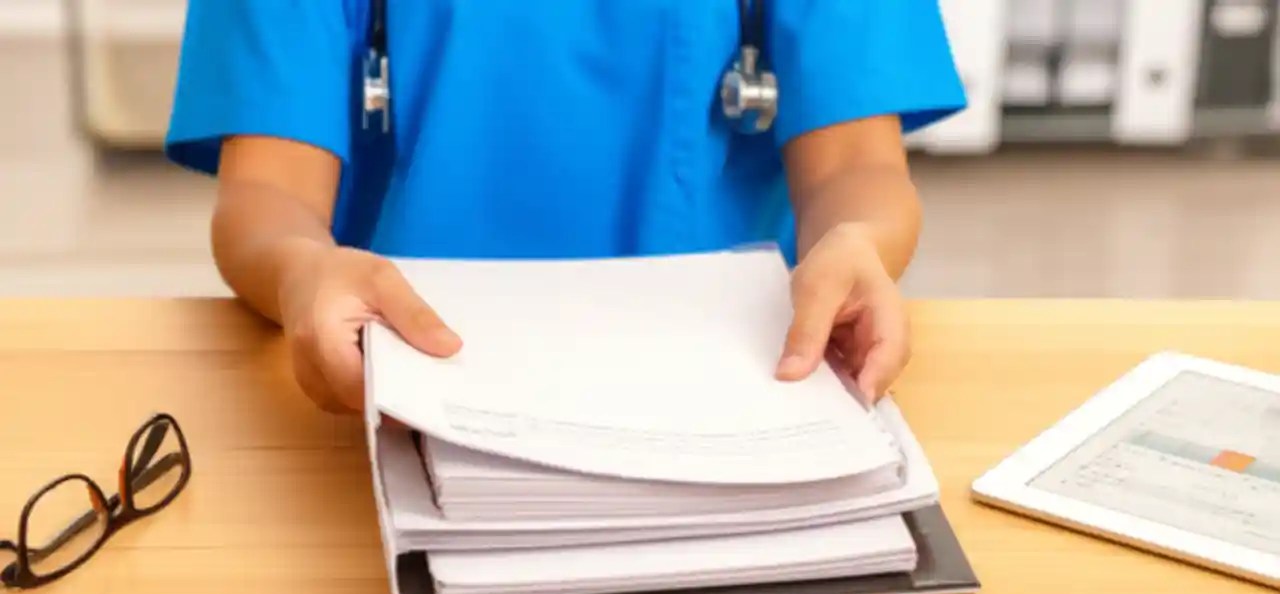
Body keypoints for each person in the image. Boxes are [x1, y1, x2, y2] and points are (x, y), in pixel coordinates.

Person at [165, 1, 966, 414]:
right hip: (407, 370)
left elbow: (857, 164)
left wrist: (858, 243)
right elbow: (268, 192)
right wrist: (303, 273)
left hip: (738, 369)